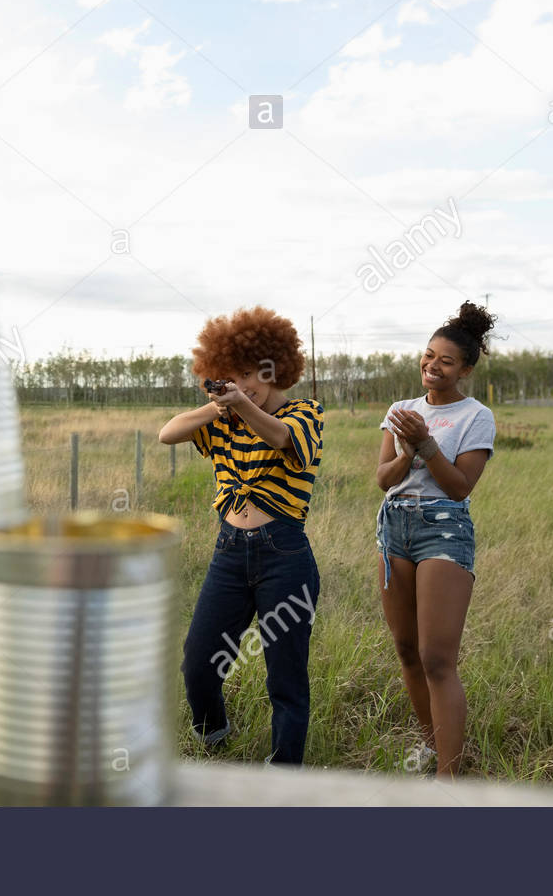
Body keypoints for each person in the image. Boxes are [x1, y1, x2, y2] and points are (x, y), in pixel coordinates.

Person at [158, 306, 324, 765]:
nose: (242, 381)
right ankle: (215, 738)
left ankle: (284, 771)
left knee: (285, 679)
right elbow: (166, 434)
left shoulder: (305, 413)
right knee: (198, 662)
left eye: (251, 372)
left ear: (276, 368)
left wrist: (242, 404)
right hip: (228, 555)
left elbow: (281, 439)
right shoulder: (222, 419)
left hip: (284, 558)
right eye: (230, 374)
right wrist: (217, 405)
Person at [375, 301, 496, 778]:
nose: (432, 365)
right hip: (394, 527)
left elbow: (460, 486)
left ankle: (450, 776)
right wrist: (407, 451)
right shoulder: (400, 410)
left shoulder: (476, 416)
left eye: (446, 361)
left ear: (465, 369)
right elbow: (384, 478)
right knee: (406, 650)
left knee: (436, 658)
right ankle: (430, 745)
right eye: (428, 356)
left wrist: (428, 444)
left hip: (443, 529)